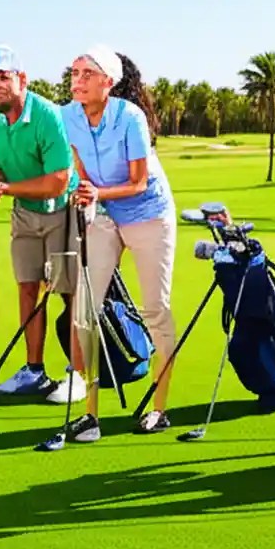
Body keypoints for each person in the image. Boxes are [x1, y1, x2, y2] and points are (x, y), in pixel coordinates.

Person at [57, 46, 179, 442]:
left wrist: (96, 193)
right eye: (74, 72)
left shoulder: (129, 116)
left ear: (108, 82)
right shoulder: (67, 116)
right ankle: (89, 414)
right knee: (83, 309)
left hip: (148, 212)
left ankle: (159, 408)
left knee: (154, 308)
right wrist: (83, 194)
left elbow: (139, 182)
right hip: (106, 214)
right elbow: (77, 167)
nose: (78, 80)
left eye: (87, 74)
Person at [0, 44, 86, 405]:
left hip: (62, 210)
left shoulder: (47, 115)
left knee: (69, 292)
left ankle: (77, 375)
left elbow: (56, 179)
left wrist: (5, 187)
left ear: (22, 79)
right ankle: (34, 371)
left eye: (3, 77)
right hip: (24, 212)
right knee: (27, 289)